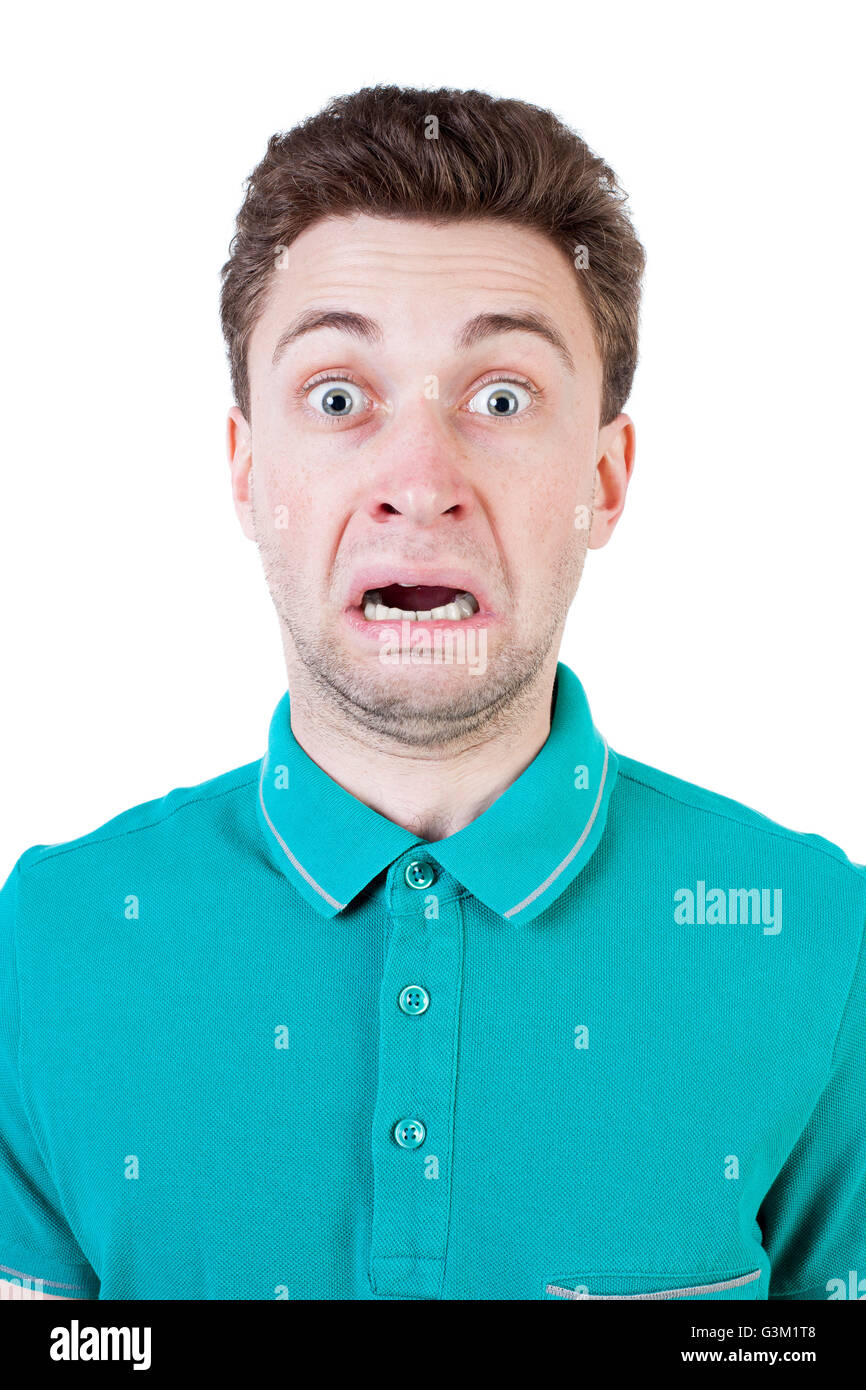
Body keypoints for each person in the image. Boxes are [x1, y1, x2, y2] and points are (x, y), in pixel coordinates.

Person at [1, 85, 863, 1303]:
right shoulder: (44, 945)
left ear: (605, 479)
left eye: (500, 398)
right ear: (247, 474)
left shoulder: (818, 939)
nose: (419, 480)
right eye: (340, 398)